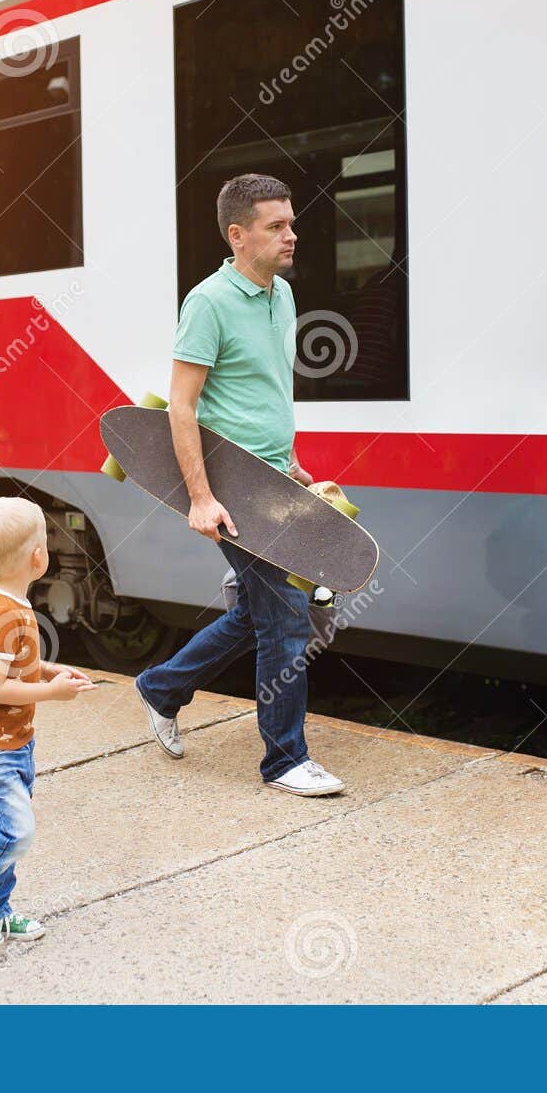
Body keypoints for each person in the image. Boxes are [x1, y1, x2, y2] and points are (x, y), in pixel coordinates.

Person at [133, 173, 345, 798]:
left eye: (290, 223)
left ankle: (162, 686)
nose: (291, 235)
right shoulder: (208, 303)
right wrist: (201, 498)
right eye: (275, 226)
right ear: (238, 235)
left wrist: (292, 460)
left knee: (258, 613)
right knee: (288, 619)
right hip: (233, 484)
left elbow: (268, 388)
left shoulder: (283, 295)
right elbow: (181, 406)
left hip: (274, 477)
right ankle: (284, 759)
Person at [0, 497, 95, 949]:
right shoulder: (7, 612)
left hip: (10, 741)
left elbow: (8, 664)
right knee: (14, 831)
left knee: (4, 829)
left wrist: (45, 671)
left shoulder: (1, 596)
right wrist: (53, 692)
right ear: (38, 557)